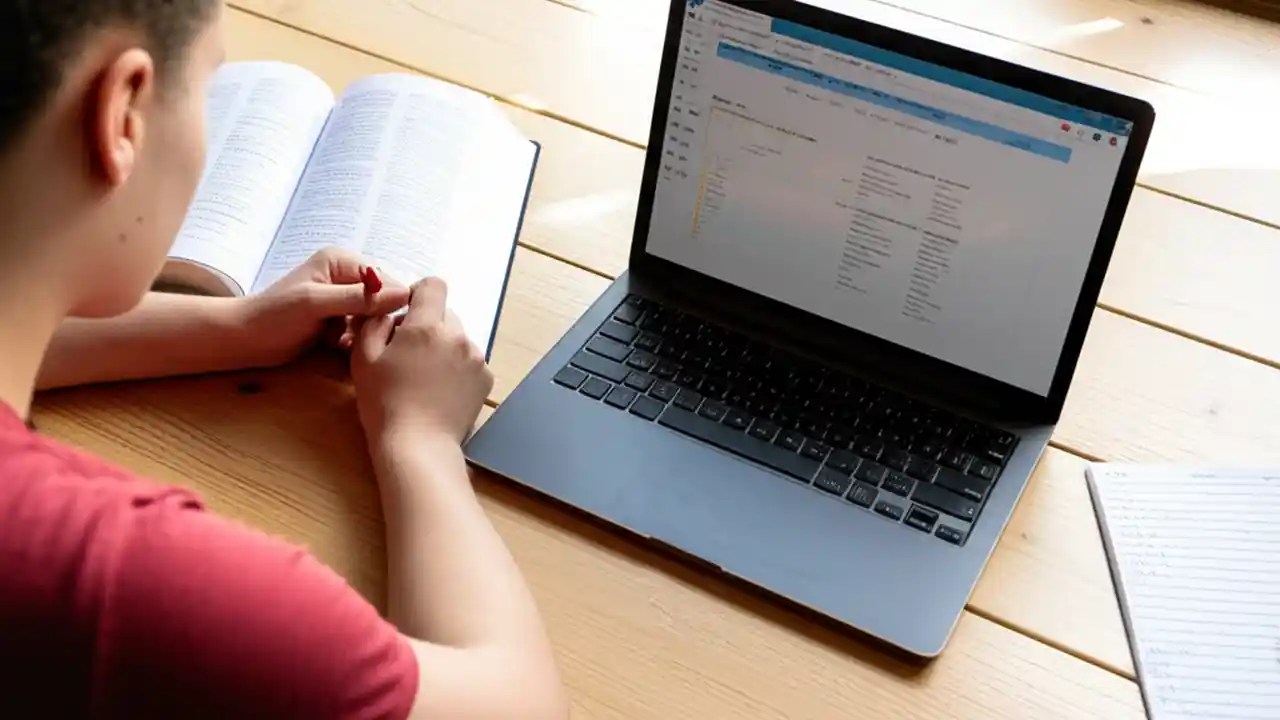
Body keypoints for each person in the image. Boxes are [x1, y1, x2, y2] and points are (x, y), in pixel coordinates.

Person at [0, 1, 567, 718]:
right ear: (121, 115)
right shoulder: (113, 578)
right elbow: (513, 707)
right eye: (209, 90)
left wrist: (234, 327)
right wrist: (419, 439)